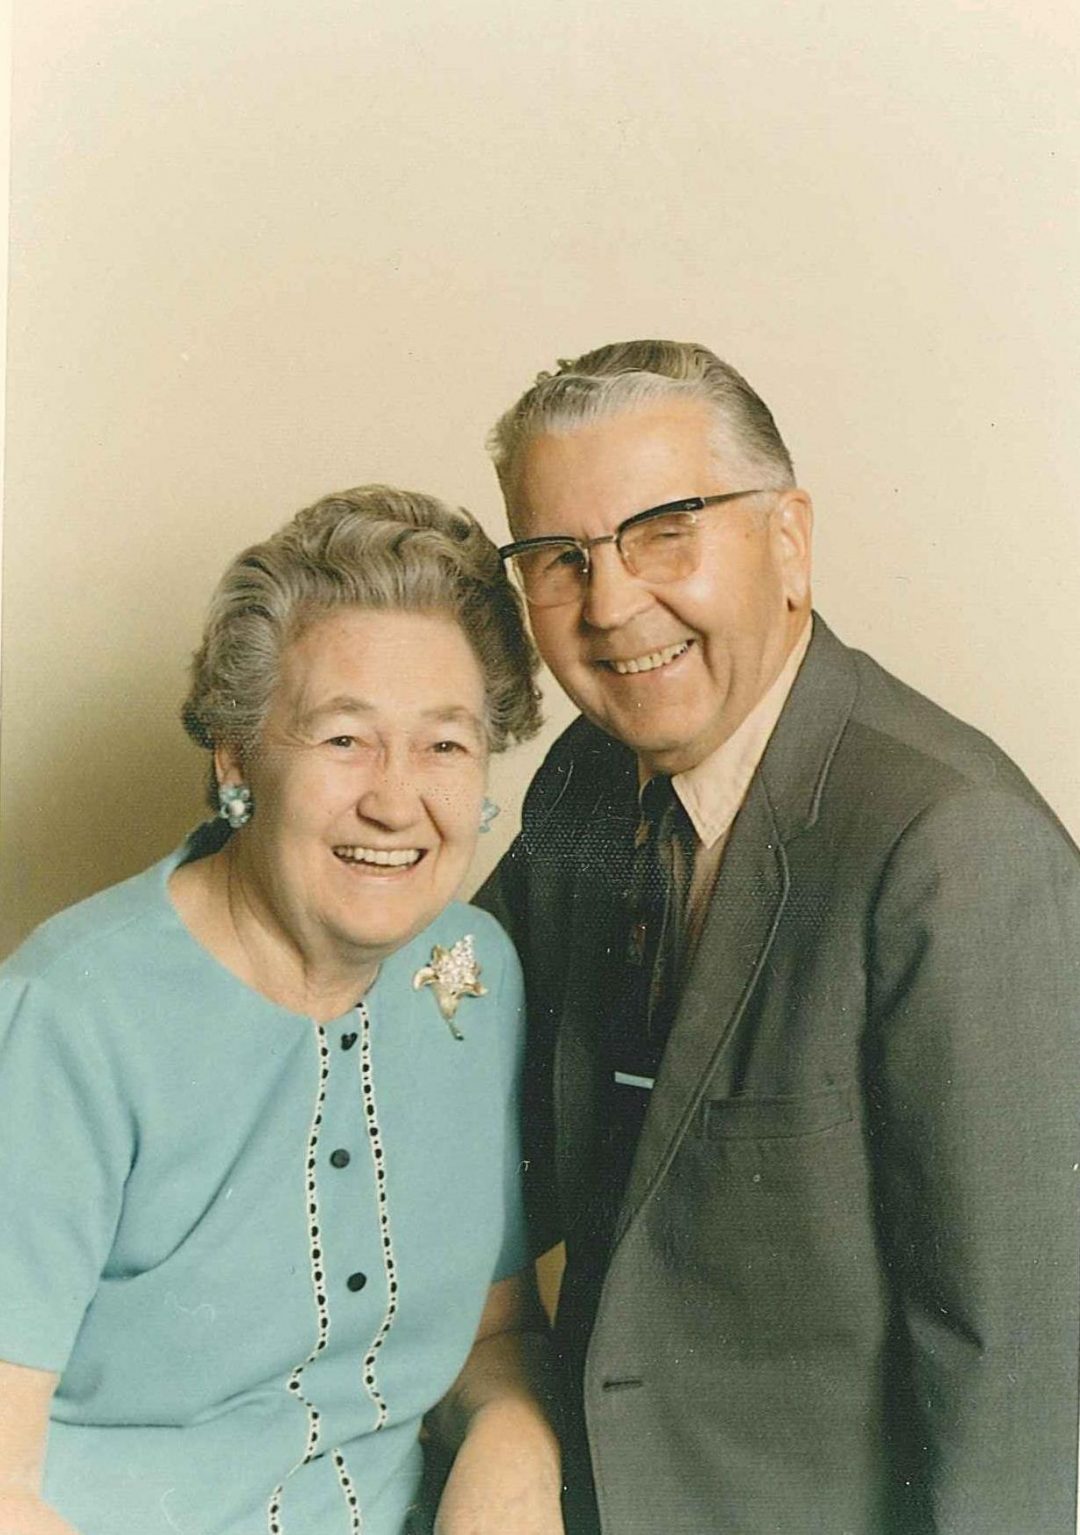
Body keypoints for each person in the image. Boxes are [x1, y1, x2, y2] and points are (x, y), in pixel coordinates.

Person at [478, 340, 1080, 1535]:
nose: (608, 604)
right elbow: (448, 1091)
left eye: (663, 530)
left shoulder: (954, 848)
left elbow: (1021, 1380)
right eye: (559, 558)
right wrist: (498, 1416)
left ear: (789, 542)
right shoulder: (586, 786)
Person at [0, 486, 567, 1535]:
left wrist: (514, 1454)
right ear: (236, 756)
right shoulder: (67, 1019)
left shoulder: (470, 972)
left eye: (444, 744)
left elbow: (492, 1335)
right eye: (346, 738)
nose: (398, 800)